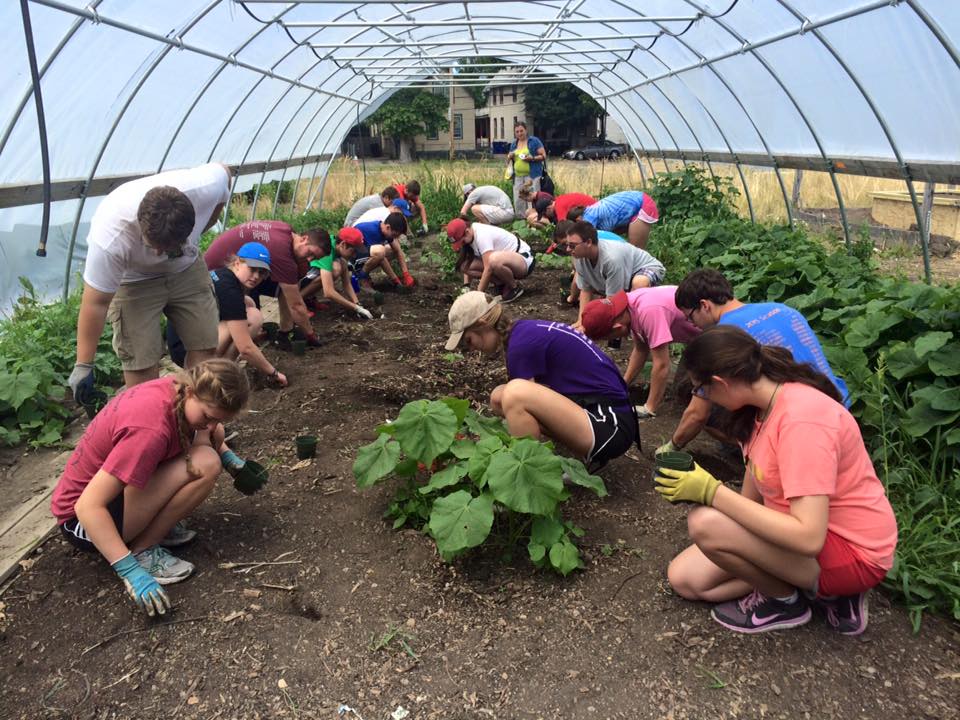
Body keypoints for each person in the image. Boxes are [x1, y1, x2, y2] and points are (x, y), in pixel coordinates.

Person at [658, 326, 897, 635]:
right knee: (686, 579)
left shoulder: (802, 421)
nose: (702, 398)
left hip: (849, 549)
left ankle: (789, 600)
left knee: (704, 523)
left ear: (720, 382)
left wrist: (711, 492)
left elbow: (809, 537)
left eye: (701, 390)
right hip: (796, 533)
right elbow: (752, 493)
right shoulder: (758, 409)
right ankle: (808, 589)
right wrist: (711, 506)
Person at [52, 359, 252, 616]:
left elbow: (208, 432)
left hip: (108, 502)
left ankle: (148, 529)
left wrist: (227, 455)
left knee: (213, 442)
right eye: (207, 417)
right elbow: (87, 506)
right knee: (206, 464)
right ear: (191, 391)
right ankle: (141, 552)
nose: (210, 425)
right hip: (83, 524)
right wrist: (128, 570)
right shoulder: (149, 430)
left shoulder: (178, 390)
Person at [69, 163, 231, 406]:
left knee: (205, 346)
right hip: (134, 282)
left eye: (167, 248)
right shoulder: (111, 237)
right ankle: (150, 416)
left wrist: (208, 223)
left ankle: (197, 415)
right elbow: (96, 303)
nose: (158, 254)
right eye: (152, 245)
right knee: (140, 362)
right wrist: (84, 364)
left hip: (186, 271)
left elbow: (225, 172)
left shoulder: (206, 186)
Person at [658, 269, 850, 456]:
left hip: (801, 425)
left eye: (690, 316)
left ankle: (750, 451)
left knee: (710, 402)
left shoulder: (726, 335)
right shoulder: (781, 309)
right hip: (838, 403)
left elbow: (697, 414)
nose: (691, 323)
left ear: (705, 305)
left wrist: (672, 447)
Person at [444, 292, 638, 470]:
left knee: (514, 394)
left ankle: (531, 471)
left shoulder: (520, 346)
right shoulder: (524, 331)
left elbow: (522, 401)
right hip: (606, 415)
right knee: (499, 397)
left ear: (483, 323)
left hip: (611, 428)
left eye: (468, 341)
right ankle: (566, 455)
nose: (471, 349)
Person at [168, 243, 288, 386]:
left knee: (248, 304)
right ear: (237, 263)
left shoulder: (223, 275)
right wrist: (273, 373)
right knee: (253, 317)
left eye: (261, 273)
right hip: (188, 351)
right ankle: (217, 375)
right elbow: (246, 348)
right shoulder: (229, 290)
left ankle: (218, 371)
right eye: (252, 269)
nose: (256, 276)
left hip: (183, 342)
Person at [204, 220, 325, 351]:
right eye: (310, 253)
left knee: (260, 285)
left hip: (232, 267)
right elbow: (296, 305)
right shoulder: (282, 252)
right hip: (215, 274)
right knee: (252, 318)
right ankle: (234, 347)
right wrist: (310, 334)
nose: (310, 259)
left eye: (314, 258)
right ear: (304, 239)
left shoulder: (286, 231)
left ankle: (284, 332)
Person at [580, 287, 700, 418]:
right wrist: (623, 385)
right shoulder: (629, 308)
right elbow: (640, 350)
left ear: (617, 328)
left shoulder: (648, 312)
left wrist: (649, 407)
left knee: (695, 389)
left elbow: (661, 364)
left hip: (711, 333)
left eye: (607, 337)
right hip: (695, 338)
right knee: (682, 391)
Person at [561, 221, 666, 327]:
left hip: (645, 267)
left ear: (588, 242)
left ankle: (636, 324)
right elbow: (585, 290)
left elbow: (612, 299)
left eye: (572, 246)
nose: (568, 249)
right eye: (567, 245)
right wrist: (581, 322)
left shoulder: (611, 258)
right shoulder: (579, 257)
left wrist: (602, 326)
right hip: (625, 271)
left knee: (639, 283)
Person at [446, 218, 534, 303]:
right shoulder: (470, 237)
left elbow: (488, 268)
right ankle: (501, 284)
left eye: (462, 242)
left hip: (523, 260)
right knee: (464, 266)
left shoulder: (481, 235)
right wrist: (466, 286)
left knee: (493, 260)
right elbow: (468, 261)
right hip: (506, 263)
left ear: (467, 232)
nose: (462, 245)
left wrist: (477, 296)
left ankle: (514, 288)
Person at [298, 228, 374, 320]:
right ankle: (298, 301)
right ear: (343, 244)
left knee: (341, 263)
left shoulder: (336, 249)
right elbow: (328, 292)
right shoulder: (326, 252)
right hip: (296, 282)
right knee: (335, 270)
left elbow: (347, 284)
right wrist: (356, 308)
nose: (354, 255)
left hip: (306, 276)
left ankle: (308, 299)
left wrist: (357, 304)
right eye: (353, 251)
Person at [567, 190, 660, 249]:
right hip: (631, 208)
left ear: (578, 220)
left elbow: (586, 239)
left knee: (635, 250)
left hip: (642, 205)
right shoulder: (590, 211)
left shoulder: (589, 216)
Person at [352, 213, 409, 290]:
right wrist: (395, 280)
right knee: (380, 251)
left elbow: (397, 250)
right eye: (394, 235)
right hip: (351, 258)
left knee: (389, 250)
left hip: (363, 254)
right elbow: (381, 258)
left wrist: (405, 274)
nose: (395, 238)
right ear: (388, 227)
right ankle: (361, 277)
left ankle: (363, 274)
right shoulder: (373, 231)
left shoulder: (384, 230)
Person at [506, 122, 547, 218]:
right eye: (517, 132)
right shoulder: (514, 144)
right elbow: (508, 161)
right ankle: (521, 218)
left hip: (532, 175)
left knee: (532, 197)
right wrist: (509, 156)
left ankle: (534, 217)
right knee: (518, 197)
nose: (519, 133)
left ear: (526, 130)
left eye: (521, 131)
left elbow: (543, 156)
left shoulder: (534, 141)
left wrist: (532, 158)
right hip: (518, 176)